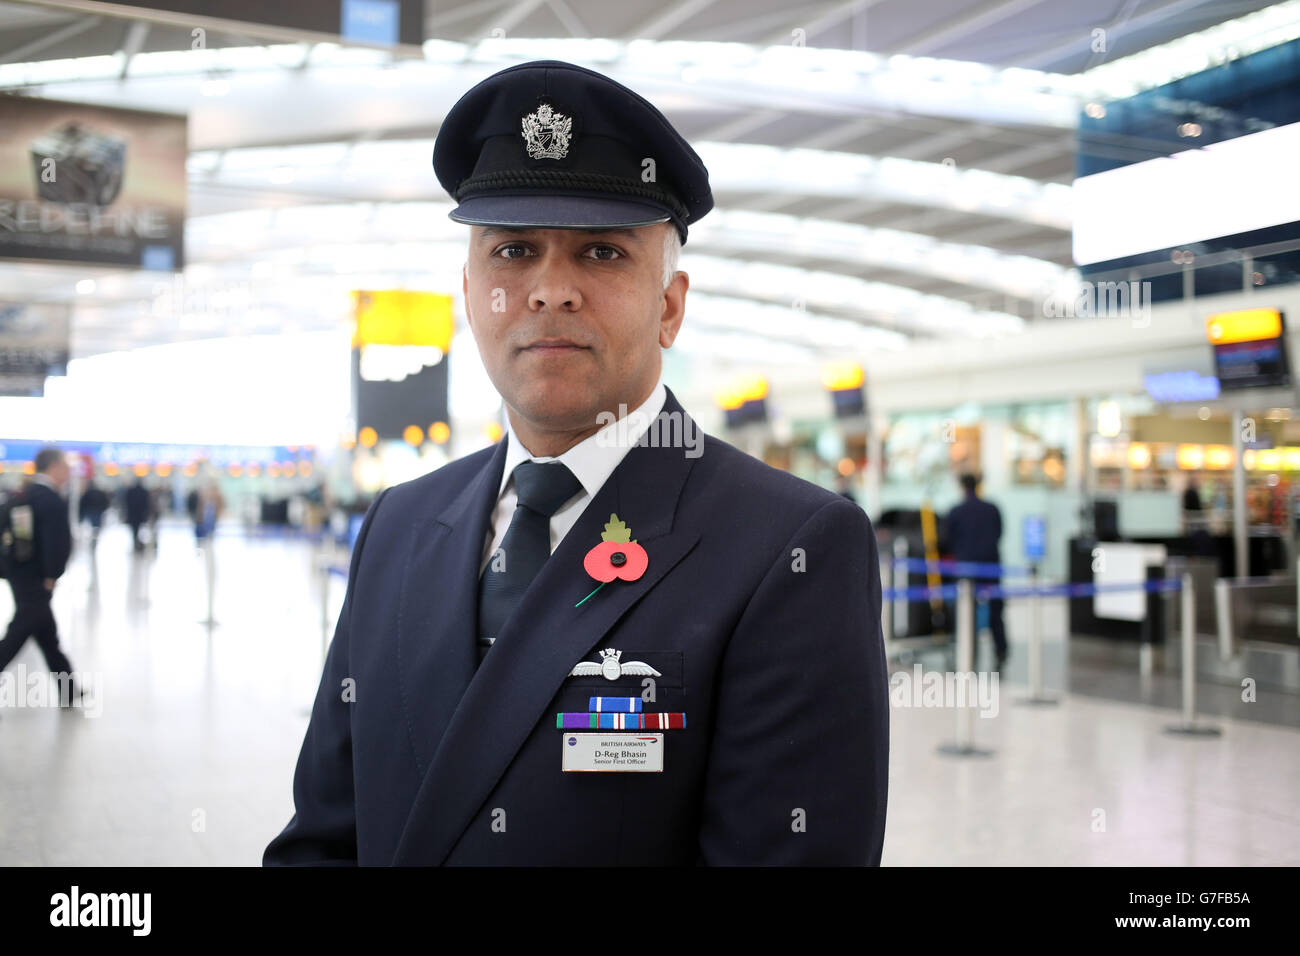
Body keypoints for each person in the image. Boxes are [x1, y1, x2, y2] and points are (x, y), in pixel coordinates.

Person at [264, 60, 889, 867]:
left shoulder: (786, 549)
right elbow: (323, 835)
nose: (550, 291)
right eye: (514, 249)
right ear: (468, 292)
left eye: (600, 252)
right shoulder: (401, 525)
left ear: (669, 305)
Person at [0, 448, 80, 703]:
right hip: (36, 577)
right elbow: (54, 541)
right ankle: (69, 690)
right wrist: (52, 574)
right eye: (65, 466)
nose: (68, 472)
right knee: (20, 630)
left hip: (19, 572)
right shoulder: (49, 499)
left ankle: (69, 690)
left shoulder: (24, 494)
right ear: (53, 467)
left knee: (47, 633)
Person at [945, 473, 1007, 672]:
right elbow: (999, 533)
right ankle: (1001, 651)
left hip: (966, 569)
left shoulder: (956, 511)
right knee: (996, 611)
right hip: (990, 566)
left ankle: (967, 651)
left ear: (962, 487)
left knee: (965, 611)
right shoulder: (992, 509)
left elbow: (946, 539)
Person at [78, 477, 110, 552]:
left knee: (94, 525)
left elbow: (83, 503)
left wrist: (82, 514)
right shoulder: (99, 492)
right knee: (96, 525)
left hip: (91, 511)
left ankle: (94, 537)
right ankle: (95, 536)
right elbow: (105, 501)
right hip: (97, 511)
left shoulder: (88, 493)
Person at [123, 479, 150, 553]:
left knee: (134, 529)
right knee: (138, 528)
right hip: (140, 514)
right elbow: (146, 503)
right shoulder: (143, 491)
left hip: (132, 514)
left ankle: (136, 541)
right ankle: (137, 541)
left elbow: (126, 503)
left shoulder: (131, 491)